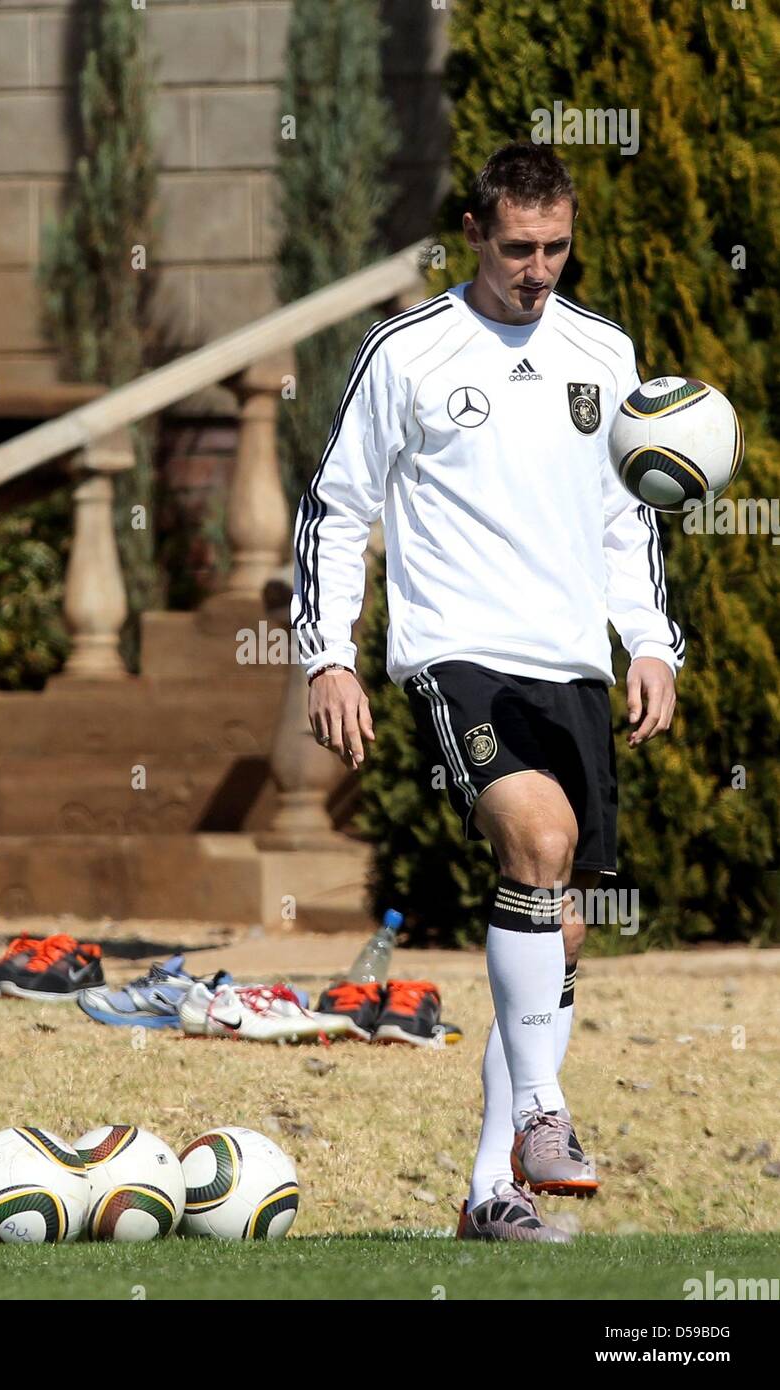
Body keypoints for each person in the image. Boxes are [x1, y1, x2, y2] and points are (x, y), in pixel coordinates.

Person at [290, 141, 683, 1242]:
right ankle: (547, 1110)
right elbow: (337, 504)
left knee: (556, 929)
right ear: (474, 233)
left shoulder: (603, 352)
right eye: (518, 247)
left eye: (556, 247)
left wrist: (651, 642)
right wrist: (330, 652)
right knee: (537, 838)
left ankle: (487, 1190)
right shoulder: (407, 351)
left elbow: (628, 514)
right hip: (458, 652)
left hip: (573, 666)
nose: (538, 268)